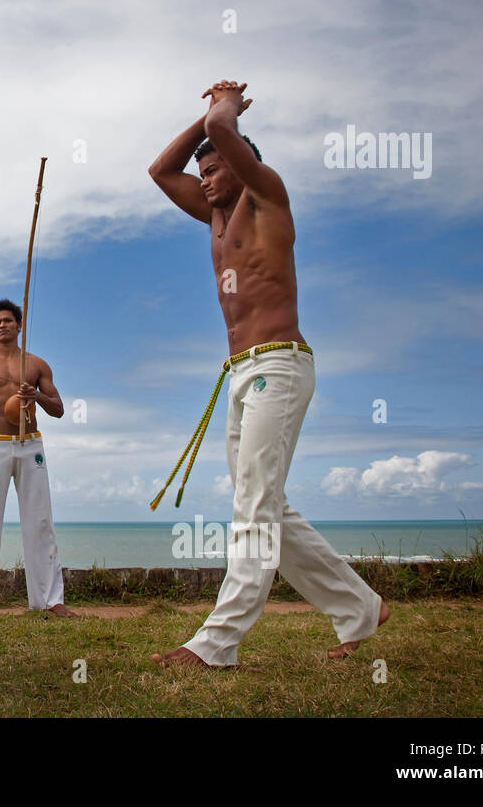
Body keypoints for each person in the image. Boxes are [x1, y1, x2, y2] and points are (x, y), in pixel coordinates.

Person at [146, 79, 387, 667]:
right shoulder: (215, 217)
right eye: (200, 171)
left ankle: (216, 643)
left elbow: (224, 132)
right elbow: (159, 170)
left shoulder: (267, 196)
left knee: (253, 504)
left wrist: (222, 109)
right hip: (239, 372)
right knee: (267, 505)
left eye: (213, 168)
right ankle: (360, 606)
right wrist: (203, 120)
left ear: (239, 163)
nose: (203, 178)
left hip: (279, 365)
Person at [0, 299, 74, 616]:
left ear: (19, 325)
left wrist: (34, 395)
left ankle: (50, 601)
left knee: (40, 522)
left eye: (8, 320)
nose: (2, 325)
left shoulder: (37, 365)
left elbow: (59, 410)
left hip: (29, 445)